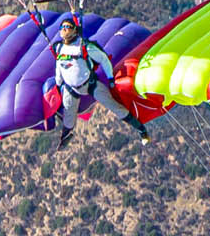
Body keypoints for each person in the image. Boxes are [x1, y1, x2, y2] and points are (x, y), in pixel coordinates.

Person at [51, 15, 148, 148]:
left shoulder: (84, 47)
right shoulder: (58, 48)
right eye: (63, 27)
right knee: (68, 117)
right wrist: (57, 84)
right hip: (71, 88)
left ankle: (141, 129)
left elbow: (103, 59)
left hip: (90, 84)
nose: (65, 29)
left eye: (68, 27)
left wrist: (110, 78)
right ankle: (65, 137)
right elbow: (59, 67)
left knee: (115, 106)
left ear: (74, 30)